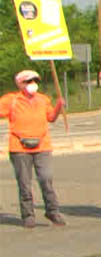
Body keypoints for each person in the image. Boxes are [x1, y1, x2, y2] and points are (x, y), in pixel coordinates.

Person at [0, 70, 66, 227]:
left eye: (35, 81)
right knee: (24, 182)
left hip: (42, 146)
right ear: (20, 84)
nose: (32, 84)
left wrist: (58, 107)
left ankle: (52, 210)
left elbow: (51, 118)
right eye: (28, 81)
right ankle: (28, 215)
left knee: (46, 178)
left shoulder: (43, 100)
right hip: (19, 147)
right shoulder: (12, 100)